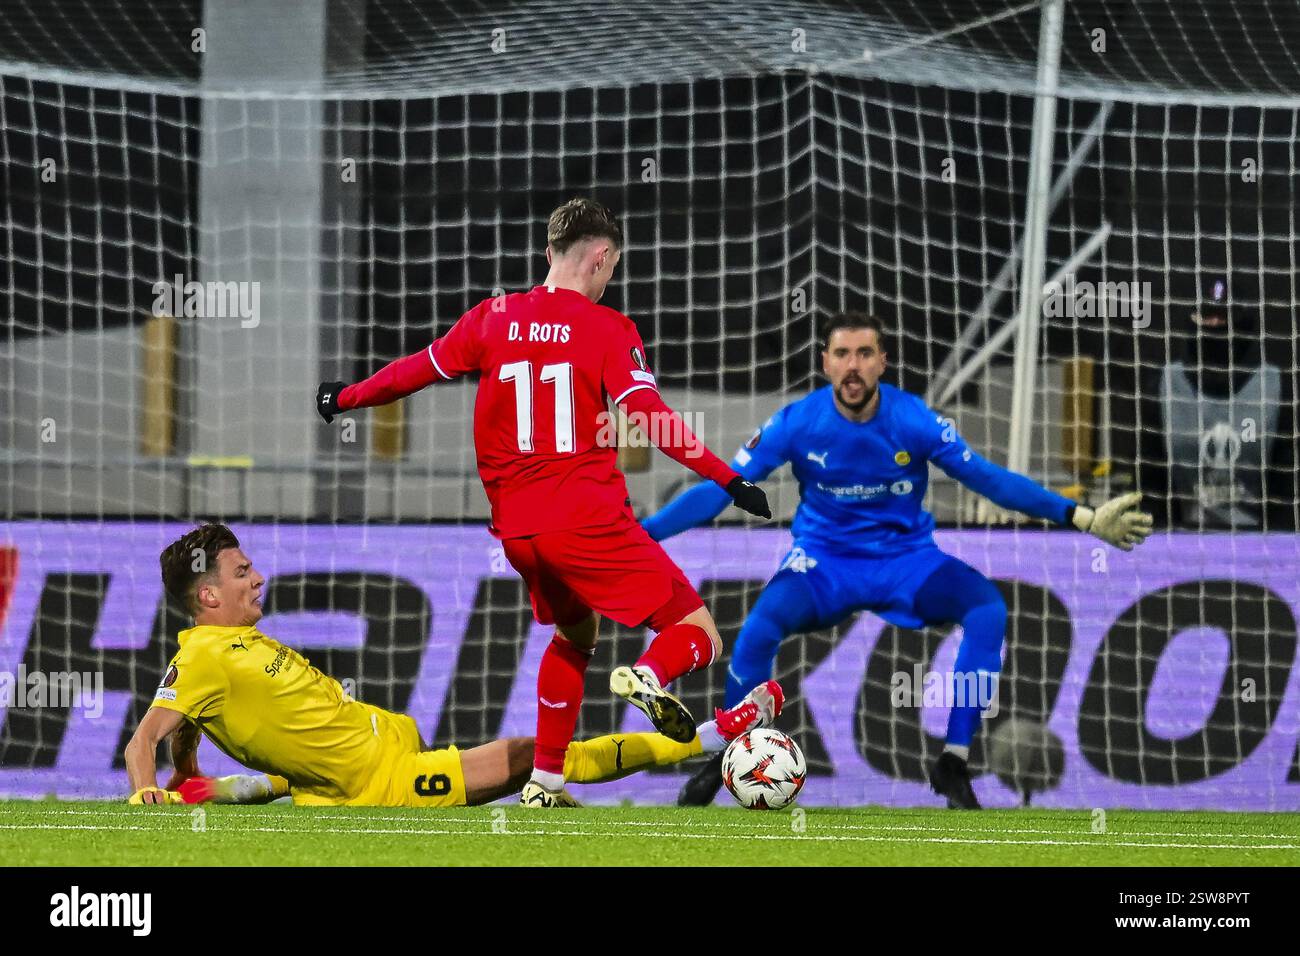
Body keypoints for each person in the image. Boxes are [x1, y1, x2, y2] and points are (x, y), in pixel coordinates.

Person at [314, 199, 771, 807]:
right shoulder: (610, 329)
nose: (610, 280)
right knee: (698, 629)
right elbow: (650, 418)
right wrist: (727, 479)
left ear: (548, 253)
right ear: (602, 258)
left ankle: (545, 781)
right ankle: (651, 677)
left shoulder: (492, 316)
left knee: (574, 638)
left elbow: (413, 372)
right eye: (612, 267)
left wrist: (344, 398)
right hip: (587, 518)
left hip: (519, 534)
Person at [643, 312, 1153, 808]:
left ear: (882, 362)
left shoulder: (913, 419)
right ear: (826, 362)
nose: (853, 366)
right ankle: (728, 749)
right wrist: (642, 534)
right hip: (823, 565)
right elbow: (719, 492)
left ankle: (953, 760)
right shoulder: (797, 423)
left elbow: (990, 480)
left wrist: (1081, 517)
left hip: (906, 562)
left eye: (865, 353)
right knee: (758, 628)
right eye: (842, 354)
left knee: (987, 609)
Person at [124, 524, 783, 808]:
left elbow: (191, 720)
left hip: (387, 745)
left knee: (542, 766)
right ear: (207, 595)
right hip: (388, 786)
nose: (259, 577)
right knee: (536, 756)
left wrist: (187, 773)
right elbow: (144, 737)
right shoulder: (203, 653)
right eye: (243, 572)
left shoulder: (230, 649)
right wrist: (147, 785)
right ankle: (716, 735)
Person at [1137, 273, 1297, 530]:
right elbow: (1151, 485)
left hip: (1262, 545)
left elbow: (1287, 488)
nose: (1213, 324)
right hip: (1183, 543)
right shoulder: (1163, 385)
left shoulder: (1277, 387)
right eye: (1205, 316)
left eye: (1222, 318)